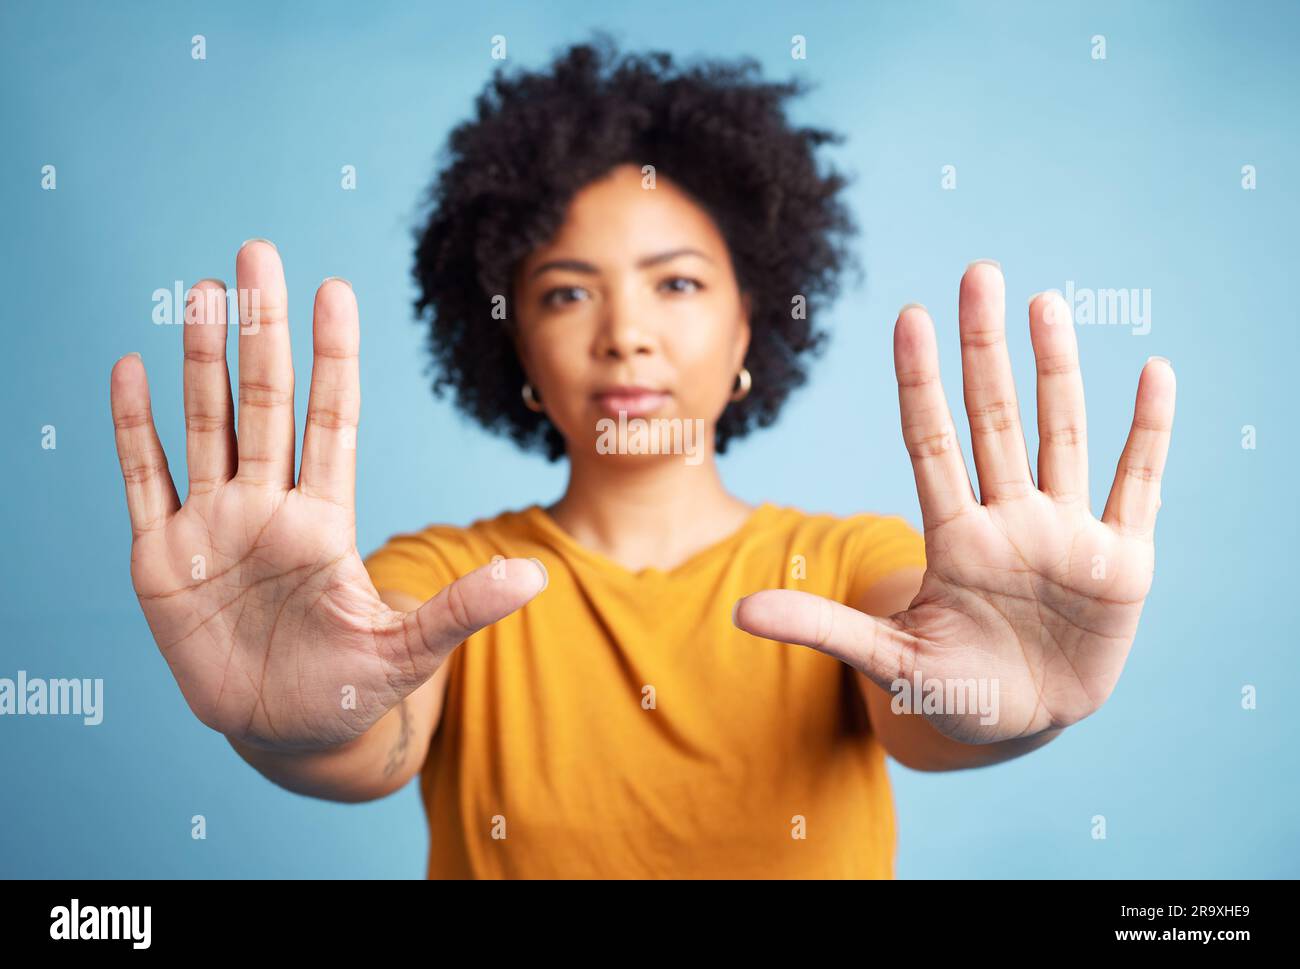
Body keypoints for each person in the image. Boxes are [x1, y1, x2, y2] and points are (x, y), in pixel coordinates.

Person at [108, 36, 1176, 878]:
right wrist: (293, 728)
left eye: (676, 283)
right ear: (512, 344)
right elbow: (370, 734)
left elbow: (929, 703)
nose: (625, 333)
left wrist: (1016, 708)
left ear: (750, 326)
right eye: (566, 292)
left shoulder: (855, 566)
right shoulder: (445, 582)